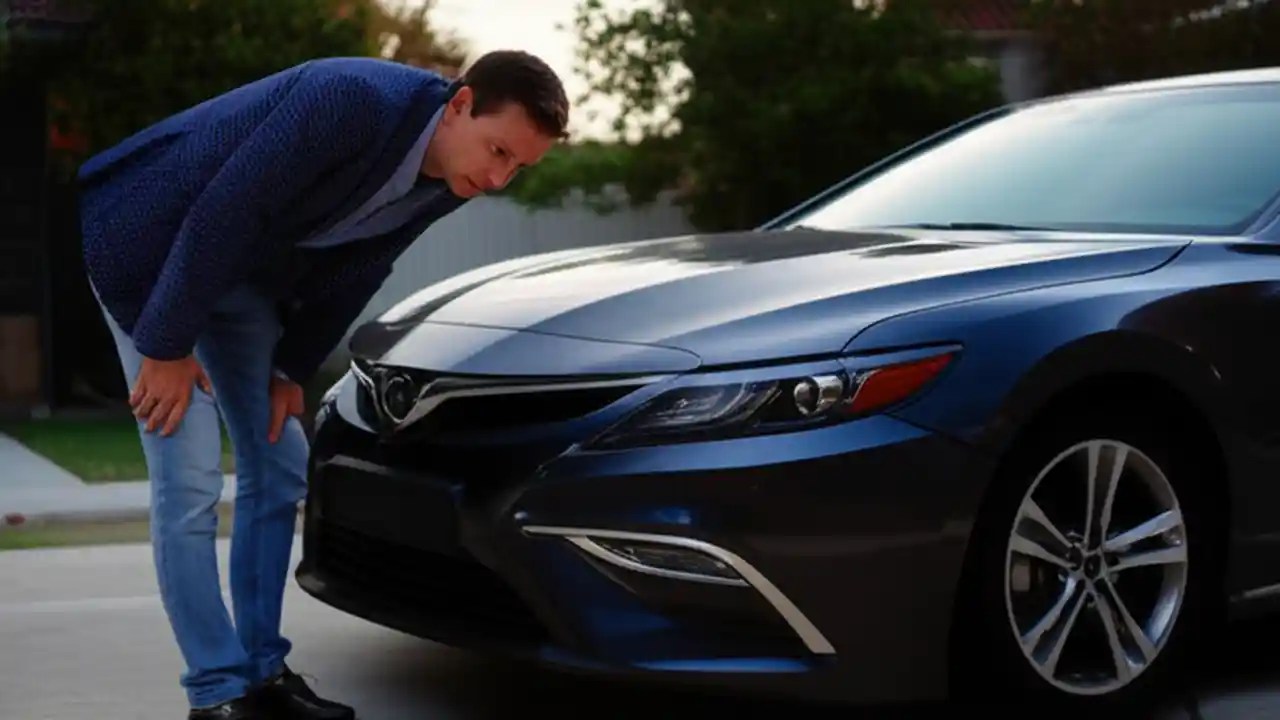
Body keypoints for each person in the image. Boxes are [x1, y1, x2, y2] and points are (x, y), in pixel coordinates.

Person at [75, 50, 569, 720]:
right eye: (498, 150)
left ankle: (261, 673)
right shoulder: (350, 99)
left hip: (242, 275)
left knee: (278, 462)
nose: (499, 176)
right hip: (151, 254)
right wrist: (165, 344)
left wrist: (290, 370)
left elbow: (364, 263)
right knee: (190, 478)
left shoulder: (453, 174)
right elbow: (228, 207)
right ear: (459, 104)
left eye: (518, 166)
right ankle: (218, 694)